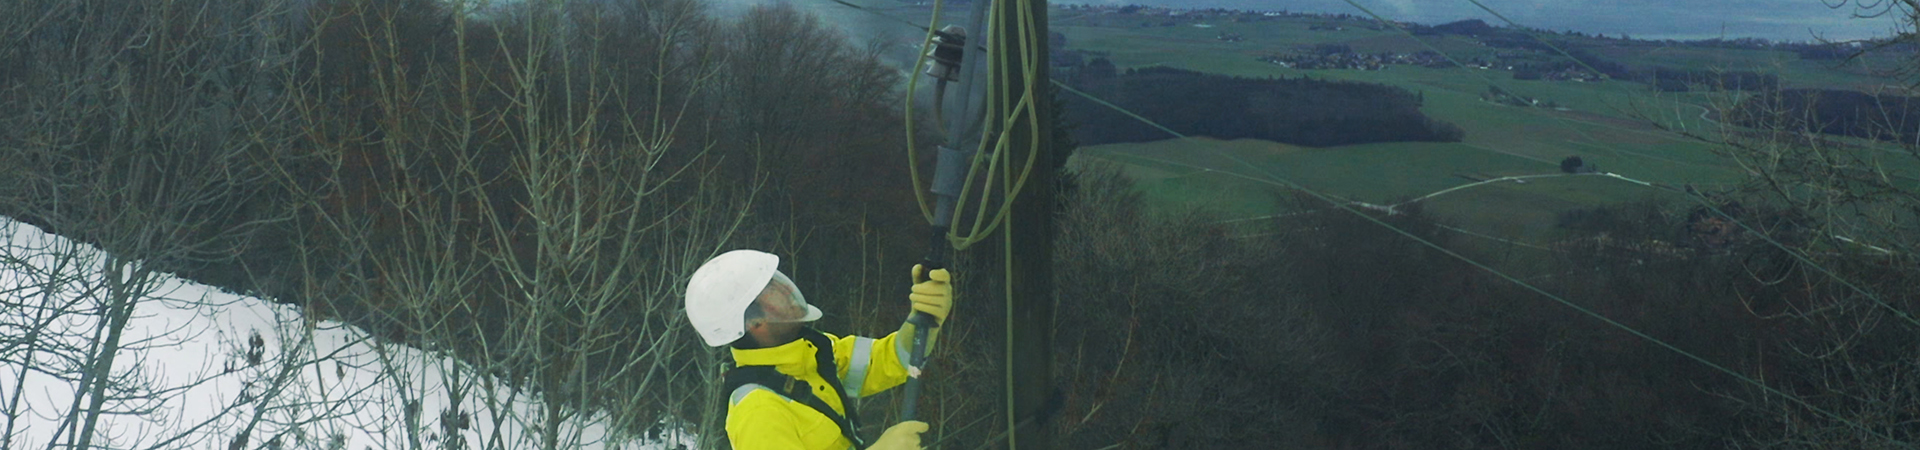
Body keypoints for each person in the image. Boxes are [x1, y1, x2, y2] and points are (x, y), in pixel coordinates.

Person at [685, 249, 953, 450]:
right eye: (770, 291)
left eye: (777, 282)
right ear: (754, 323)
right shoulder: (758, 412)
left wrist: (923, 322)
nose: (785, 291)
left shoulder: (809, 353)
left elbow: (888, 360)